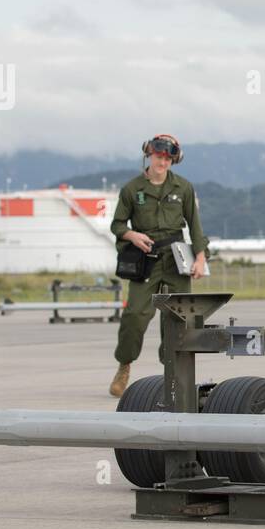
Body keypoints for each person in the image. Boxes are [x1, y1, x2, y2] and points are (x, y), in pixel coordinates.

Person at [108, 134, 209, 397]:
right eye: (158, 156)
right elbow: (117, 225)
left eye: (167, 158)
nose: (162, 162)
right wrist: (132, 235)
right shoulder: (132, 189)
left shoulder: (184, 188)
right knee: (135, 315)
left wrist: (200, 257)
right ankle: (124, 365)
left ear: (173, 160)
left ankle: (173, 372)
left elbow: (195, 226)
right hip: (146, 258)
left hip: (176, 257)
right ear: (148, 155)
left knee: (178, 316)